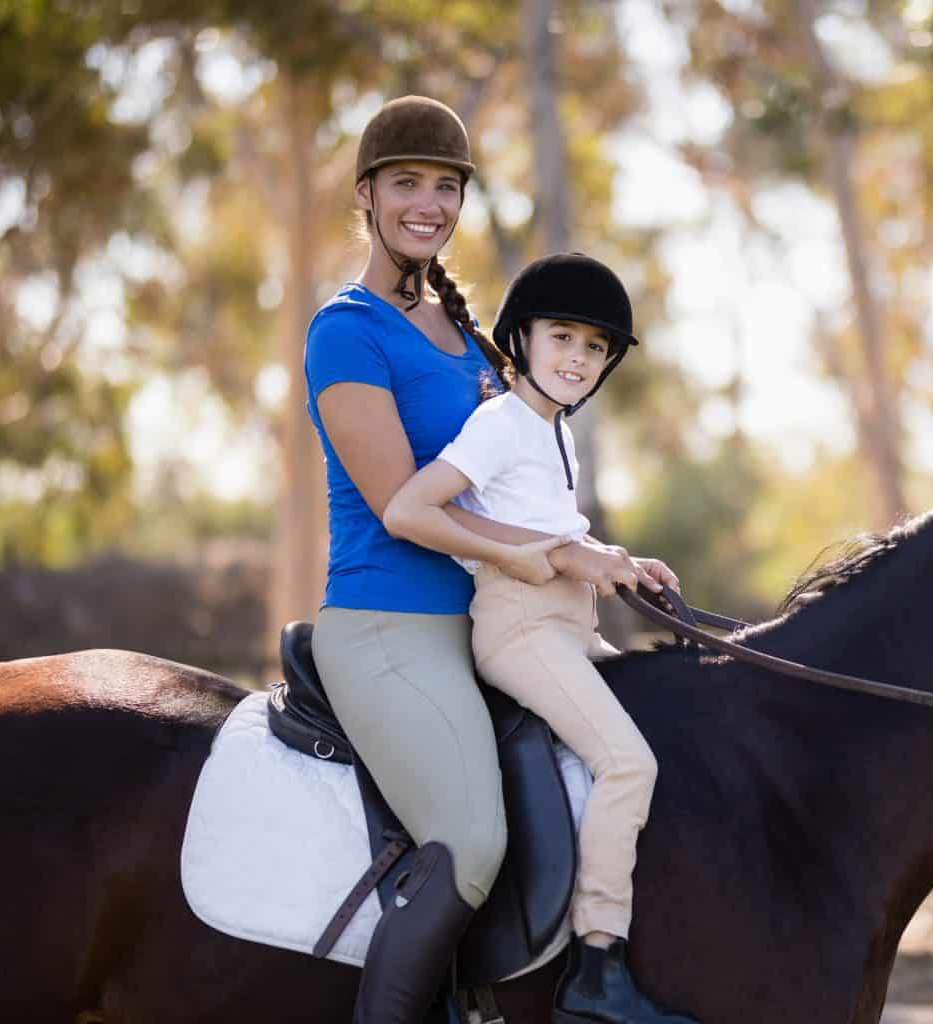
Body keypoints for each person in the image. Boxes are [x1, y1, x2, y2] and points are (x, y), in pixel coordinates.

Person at [304, 95, 565, 1024]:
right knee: (471, 839)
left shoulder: (475, 343)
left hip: (490, 622)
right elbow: (401, 509)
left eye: (446, 186)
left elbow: (515, 490)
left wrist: (596, 557)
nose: (428, 202)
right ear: (367, 194)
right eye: (407, 182)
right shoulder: (346, 330)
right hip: (389, 630)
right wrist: (537, 553)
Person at [384, 252, 698, 1024]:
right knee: (627, 761)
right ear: (521, 340)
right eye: (563, 338)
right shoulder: (499, 424)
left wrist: (619, 561)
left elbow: (560, 526)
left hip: (570, 624)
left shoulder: (554, 434)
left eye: (595, 348)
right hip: (520, 628)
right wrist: (544, 556)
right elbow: (412, 510)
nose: (579, 360)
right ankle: (596, 966)